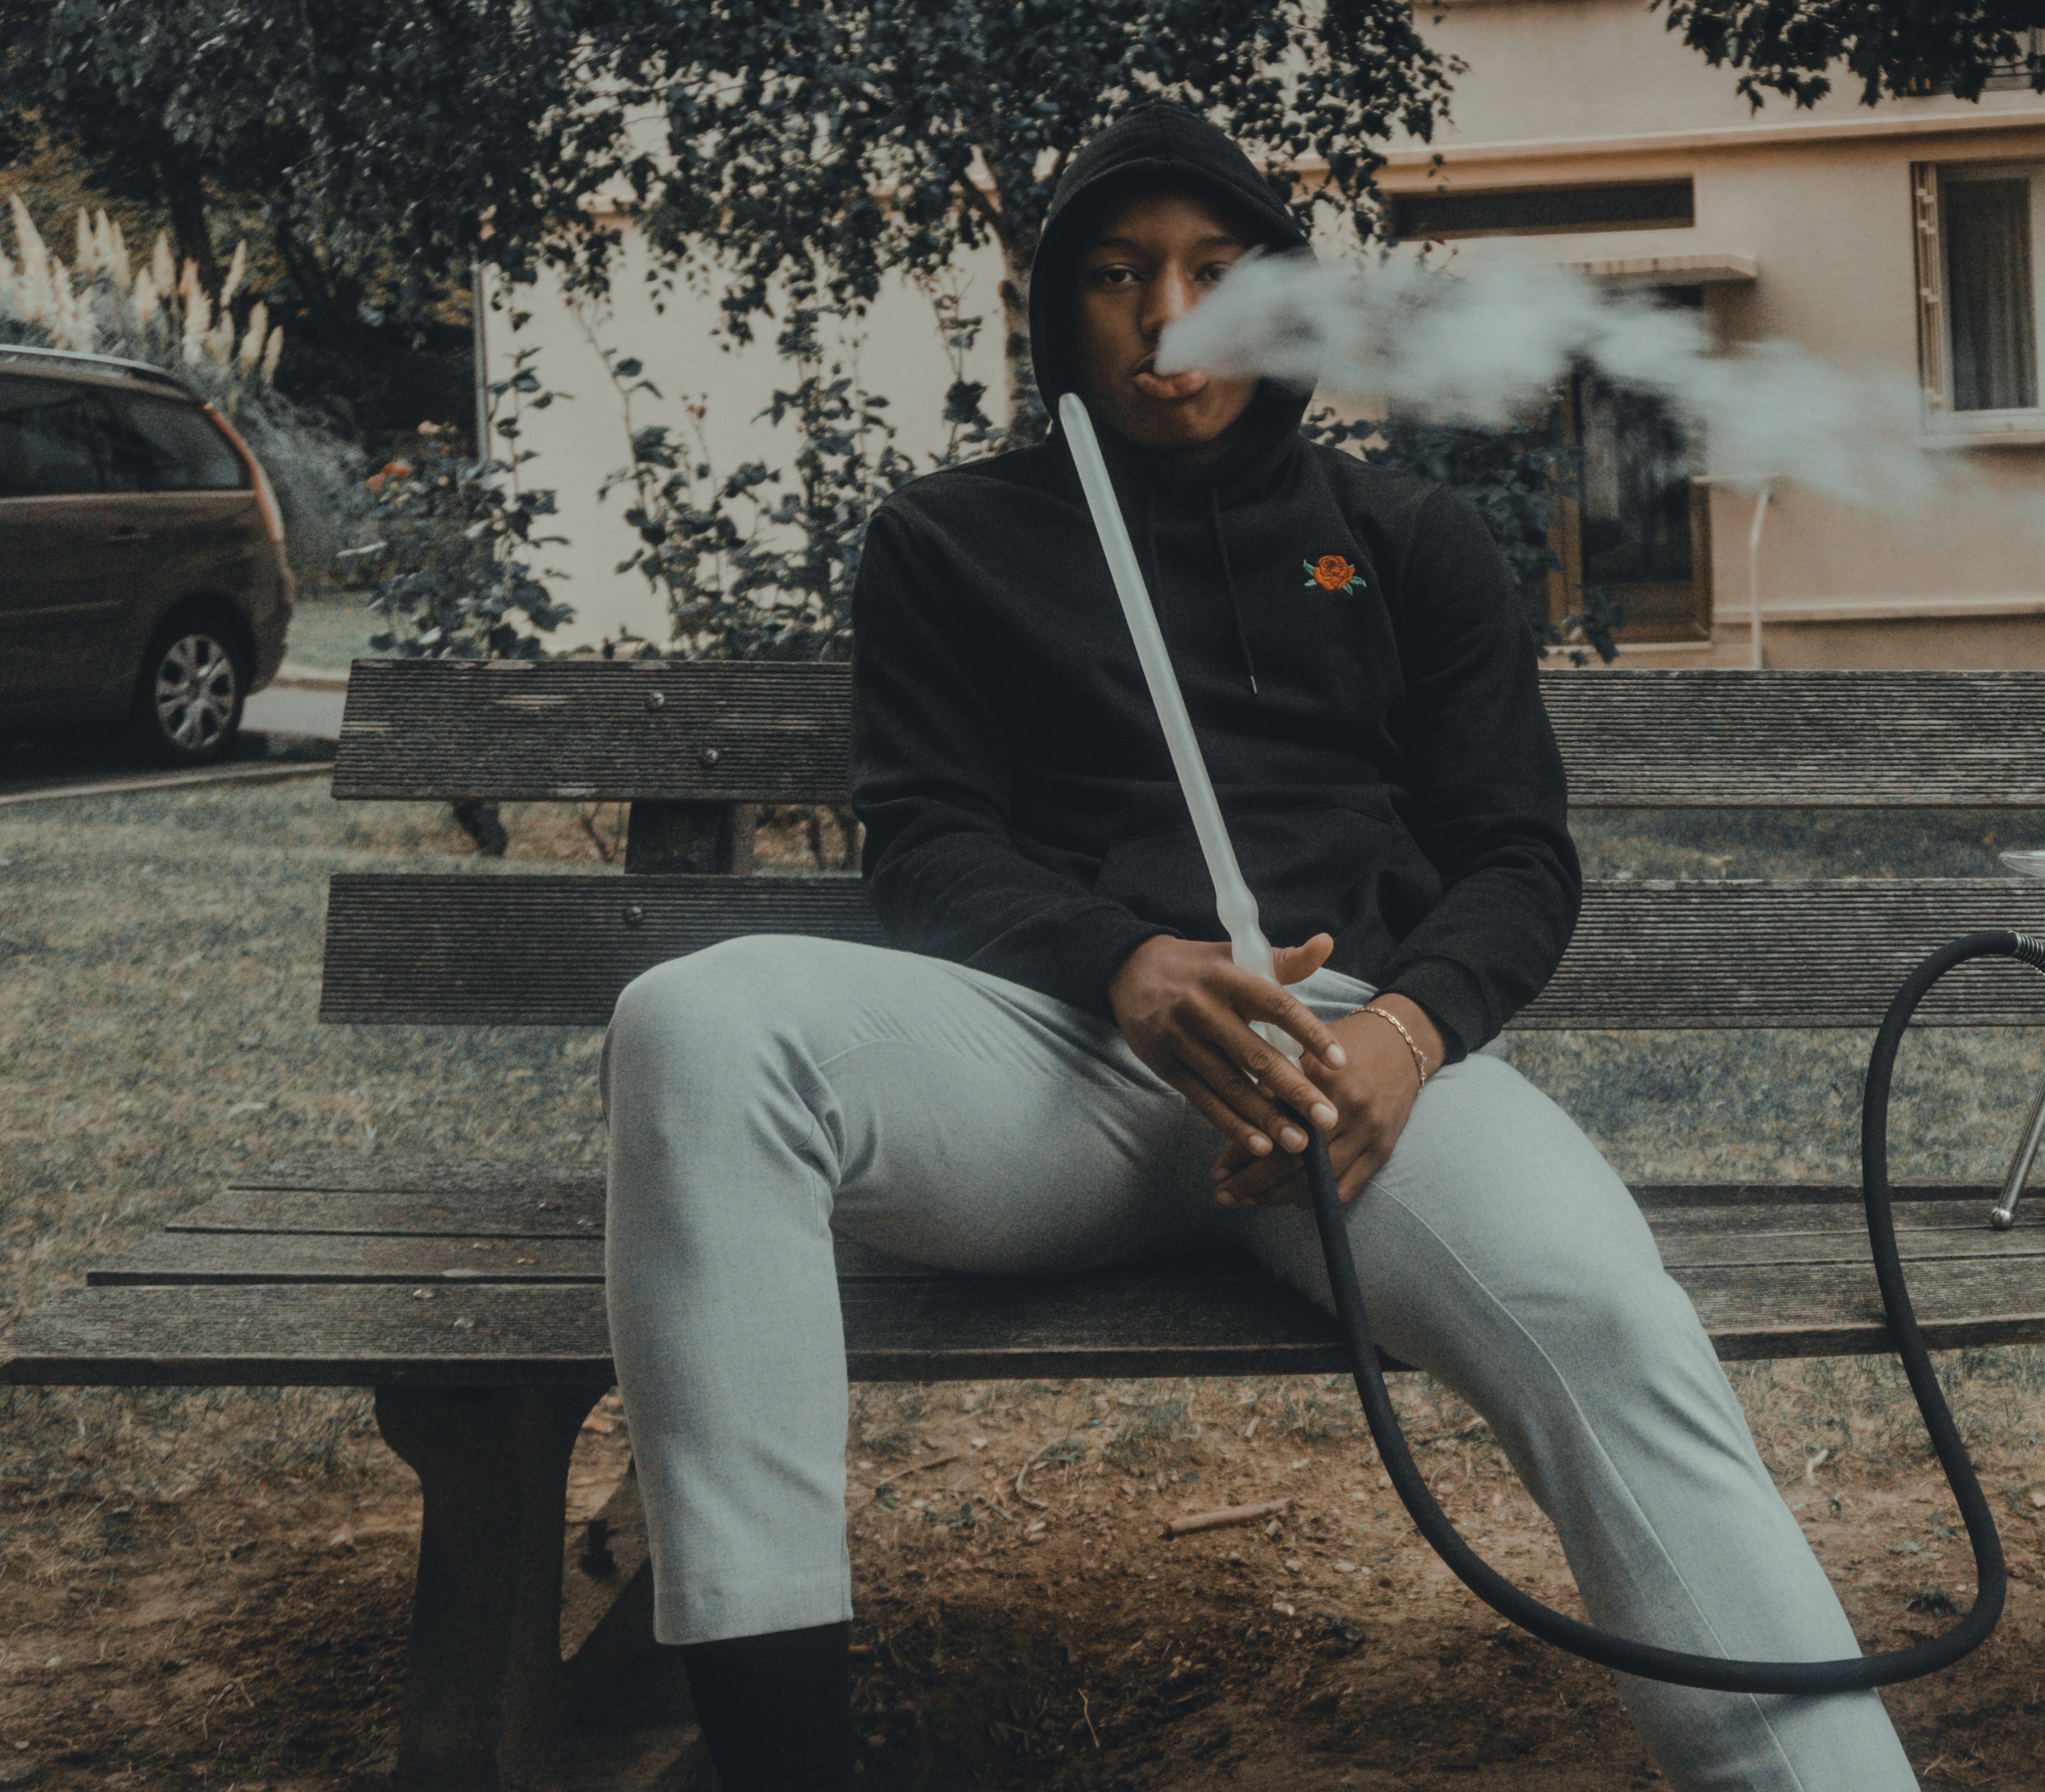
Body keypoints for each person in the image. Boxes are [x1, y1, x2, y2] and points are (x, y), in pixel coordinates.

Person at [599, 100, 1922, 1792]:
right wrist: (1123, 965)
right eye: (1116, 277)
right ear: (1053, 307)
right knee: (696, 1023)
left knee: (1606, 1307)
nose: (1168, 323)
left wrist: (1411, 1038)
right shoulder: (949, 541)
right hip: (1060, 1062)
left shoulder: (1406, 537)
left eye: (1215, 272)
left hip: (1356, 1075)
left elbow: (1518, 857)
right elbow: (928, 848)